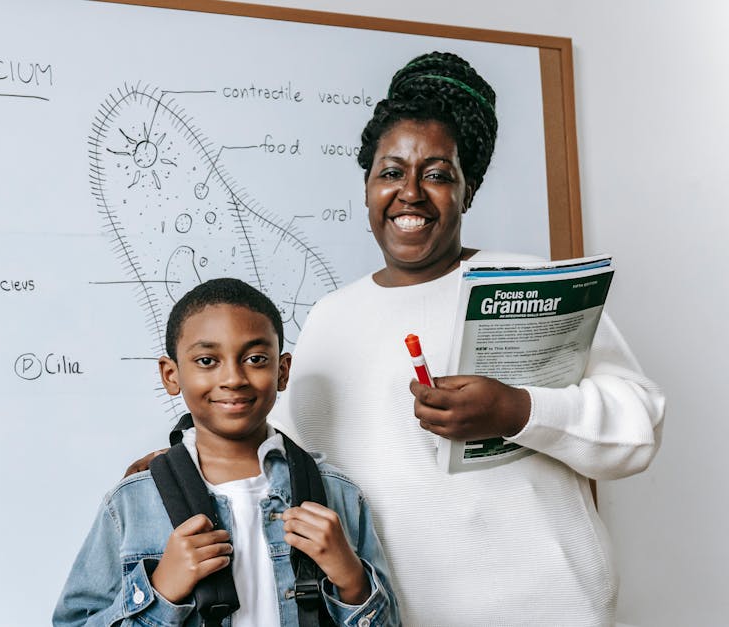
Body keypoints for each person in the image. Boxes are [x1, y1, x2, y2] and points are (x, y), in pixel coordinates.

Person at [126, 52, 664, 625]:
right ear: (367, 188)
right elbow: (288, 455)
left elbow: (638, 429)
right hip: (392, 612)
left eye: (437, 174)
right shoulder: (331, 318)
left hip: (551, 605)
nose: (410, 192)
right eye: (390, 172)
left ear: (468, 190)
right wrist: (190, 460)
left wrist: (514, 409)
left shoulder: (530, 285)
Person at [55, 278, 398, 627]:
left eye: (255, 358)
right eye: (207, 360)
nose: (233, 378)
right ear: (171, 375)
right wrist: (160, 592)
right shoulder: (132, 503)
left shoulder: (338, 494)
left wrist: (352, 580)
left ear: (282, 371)